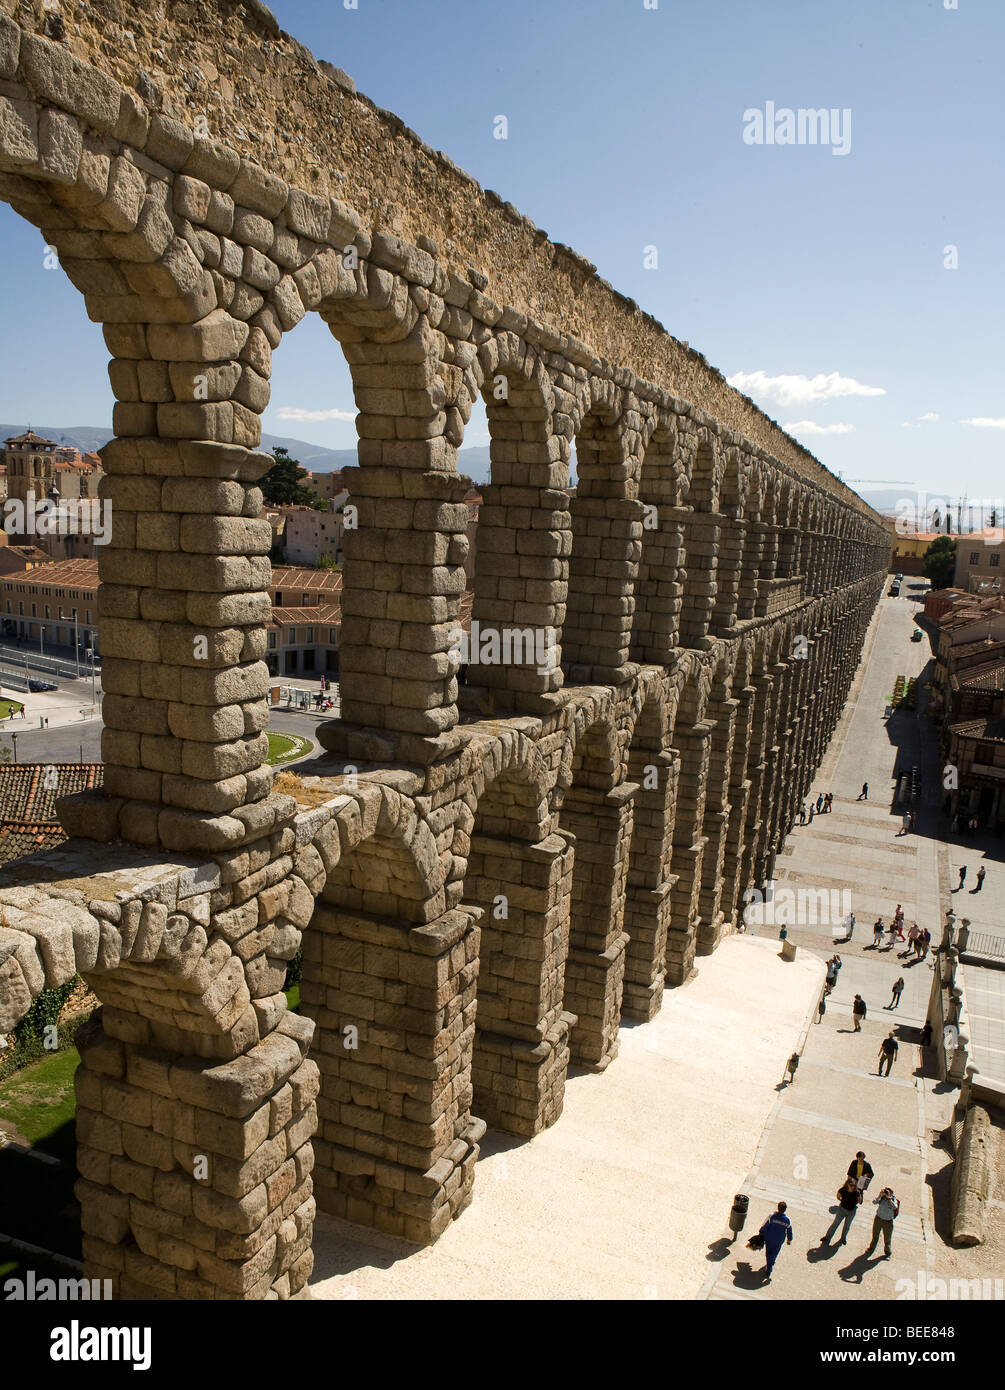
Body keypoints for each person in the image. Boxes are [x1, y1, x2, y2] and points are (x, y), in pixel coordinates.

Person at [758, 1201, 793, 1280]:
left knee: (768, 1252)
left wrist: (761, 1232)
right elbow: (789, 1231)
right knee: (774, 1253)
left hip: (769, 1238)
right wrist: (789, 1239)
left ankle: (769, 1267)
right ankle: (770, 1265)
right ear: (785, 1209)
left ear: (778, 1207)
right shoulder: (787, 1220)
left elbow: (766, 1226)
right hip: (779, 1240)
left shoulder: (773, 1217)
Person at [821, 1178, 861, 1247]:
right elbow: (838, 1197)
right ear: (847, 1184)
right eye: (851, 1185)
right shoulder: (842, 1190)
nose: (852, 1187)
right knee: (835, 1224)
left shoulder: (857, 1192)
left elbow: (860, 1201)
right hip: (842, 1209)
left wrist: (859, 1196)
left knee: (847, 1226)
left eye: (854, 1185)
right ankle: (827, 1237)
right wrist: (843, 1202)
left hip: (851, 1211)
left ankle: (843, 1238)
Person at [865, 1188, 900, 1258]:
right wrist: (880, 1195)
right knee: (875, 1235)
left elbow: (895, 1207)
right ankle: (871, 1248)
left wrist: (889, 1198)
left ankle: (888, 1253)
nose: (886, 1193)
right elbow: (874, 1202)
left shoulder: (893, 1199)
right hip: (878, 1219)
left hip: (888, 1222)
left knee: (887, 1238)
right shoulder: (882, 1198)